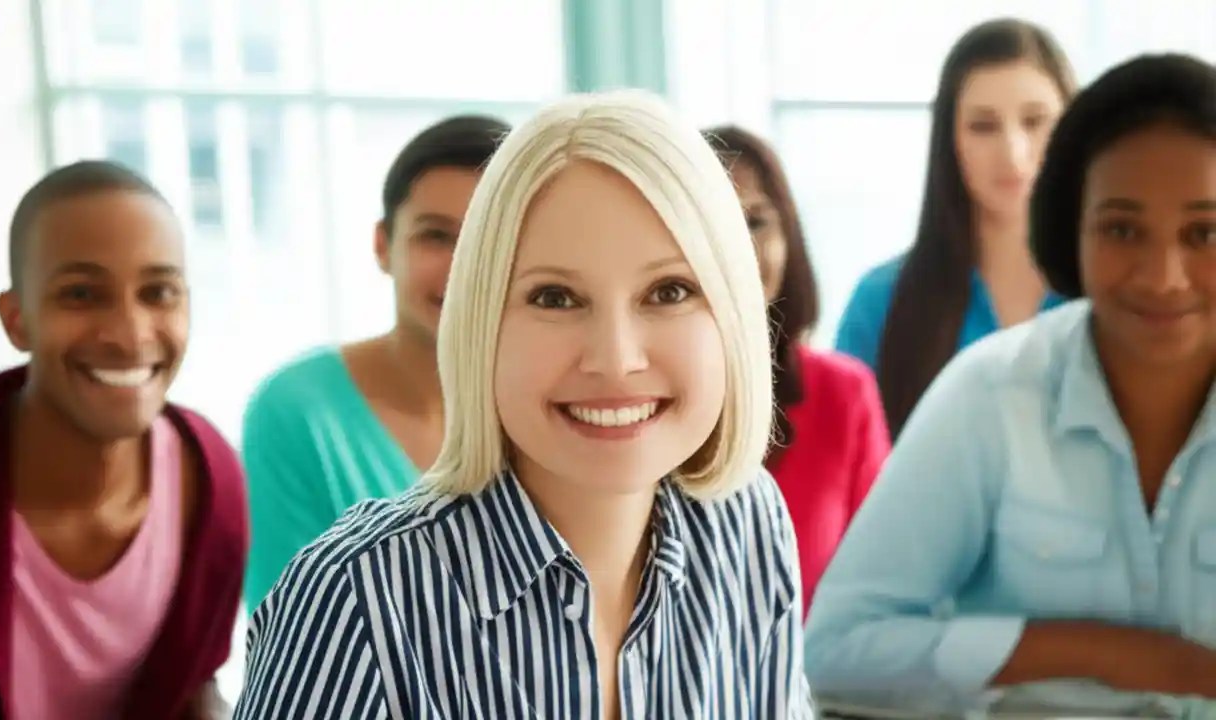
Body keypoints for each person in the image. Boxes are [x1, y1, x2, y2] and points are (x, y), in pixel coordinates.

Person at [236, 91, 813, 719]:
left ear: (732, 313)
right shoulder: (355, 600)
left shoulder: (747, 525)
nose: (615, 359)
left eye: (669, 290)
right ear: (482, 323)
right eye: (555, 297)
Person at [806, 54, 1216, 716]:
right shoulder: (989, 392)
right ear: (1068, 233)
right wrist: (1108, 653)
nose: (1165, 275)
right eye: (1121, 228)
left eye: (1206, 232)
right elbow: (834, 654)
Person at [0, 161, 248, 719]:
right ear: (17, 320)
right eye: (80, 294)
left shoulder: (211, 480)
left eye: (159, 292)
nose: (130, 334)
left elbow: (190, 686)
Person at [240, 115, 510, 610]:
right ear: (383, 245)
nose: (463, 268)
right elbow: (286, 635)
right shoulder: (298, 412)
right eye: (435, 236)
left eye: (488, 241)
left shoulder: (554, 406)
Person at [835, 18, 1075, 437]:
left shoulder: (1113, 295)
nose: (1013, 152)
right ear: (950, 140)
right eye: (983, 126)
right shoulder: (880, 302)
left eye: (1036, 121)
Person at [706, 125, 890, 617]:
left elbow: (883, 589)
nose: (738, 247)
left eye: (755, 221)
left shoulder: (844, 393)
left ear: (788, 234)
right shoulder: (637, 397)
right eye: (713, 223)